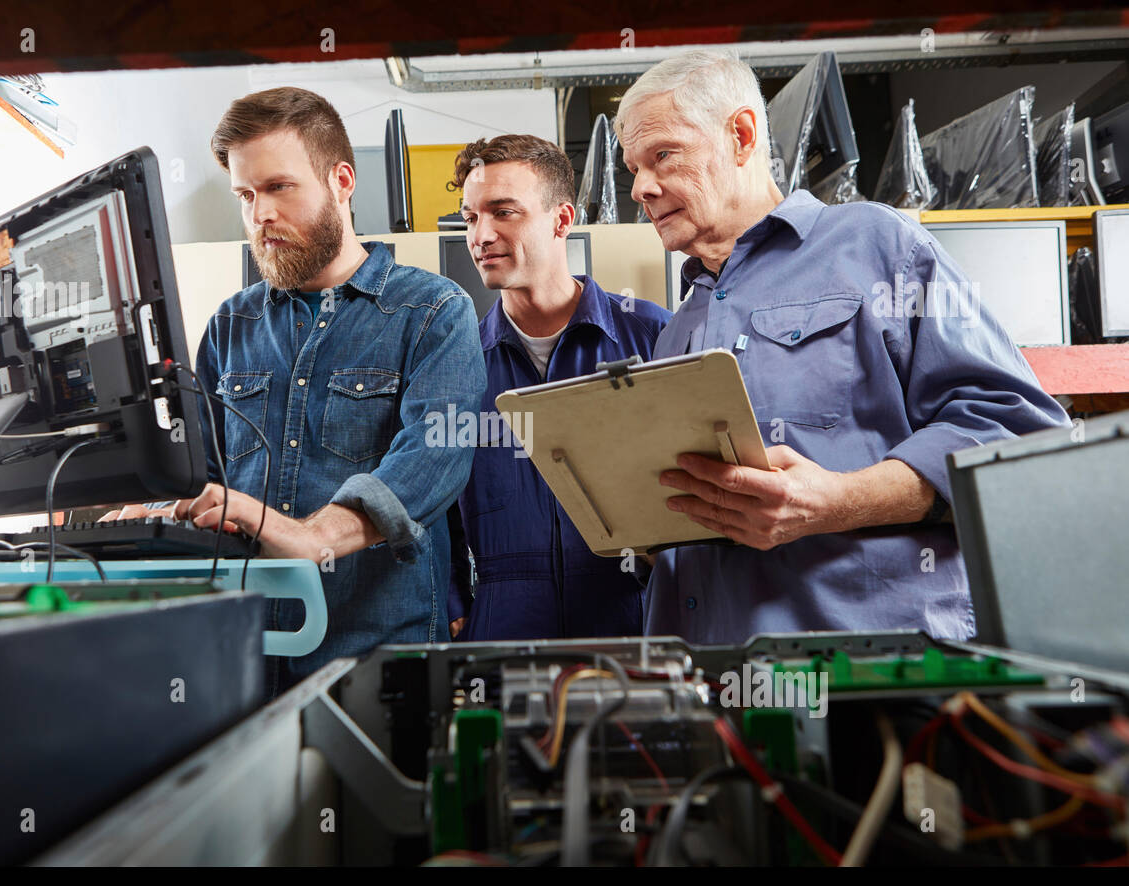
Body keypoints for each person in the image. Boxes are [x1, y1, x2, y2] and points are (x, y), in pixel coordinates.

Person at [613, 50, 1070, 643]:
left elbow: (1016, 438)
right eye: (632, 169)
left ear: (741, 135)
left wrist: (836, 501)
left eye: (663, 156)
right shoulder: (679, 325)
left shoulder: (878, 246)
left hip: (865, 672)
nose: (641, 188)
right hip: (705, 679)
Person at [112, 88, 486, 694]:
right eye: (245, 195)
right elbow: (201, 475)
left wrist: (313, 537)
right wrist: (154, 510)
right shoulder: (232, 326)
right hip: (244, 655)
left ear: (341, 180)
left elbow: (432, 462)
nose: (259, 214)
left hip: (376, 660)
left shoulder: (434, 311)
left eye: (279, 187)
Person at [446, 135, 669, 642]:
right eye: (470, 217)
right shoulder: (457, 363)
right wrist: (458, 607)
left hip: (636, 626)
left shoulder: (654, 336)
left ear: (561, 220)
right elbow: (438, 515)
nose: (481, 235)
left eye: (503, 212)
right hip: (502, 634)